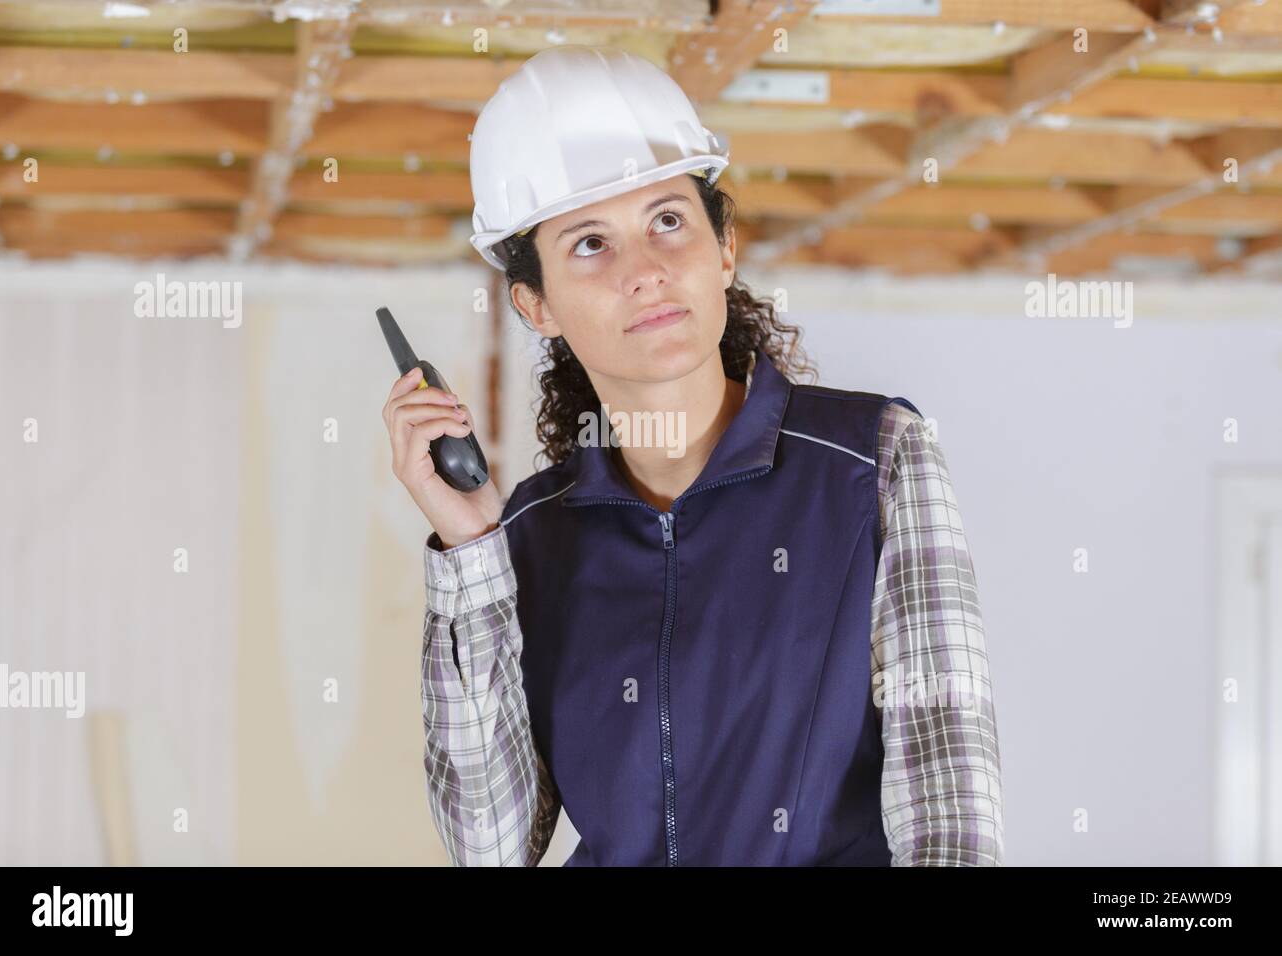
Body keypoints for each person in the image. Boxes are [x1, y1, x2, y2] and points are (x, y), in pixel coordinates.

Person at [381, 45, 1004, 866]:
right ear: (536, 305)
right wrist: (470, 554)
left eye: (668, 221)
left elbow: (948, 807)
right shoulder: (531, 532)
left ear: (724, 248)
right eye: (590, 244)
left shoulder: (873, 463)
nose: (644, 271)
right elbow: (490, 847)